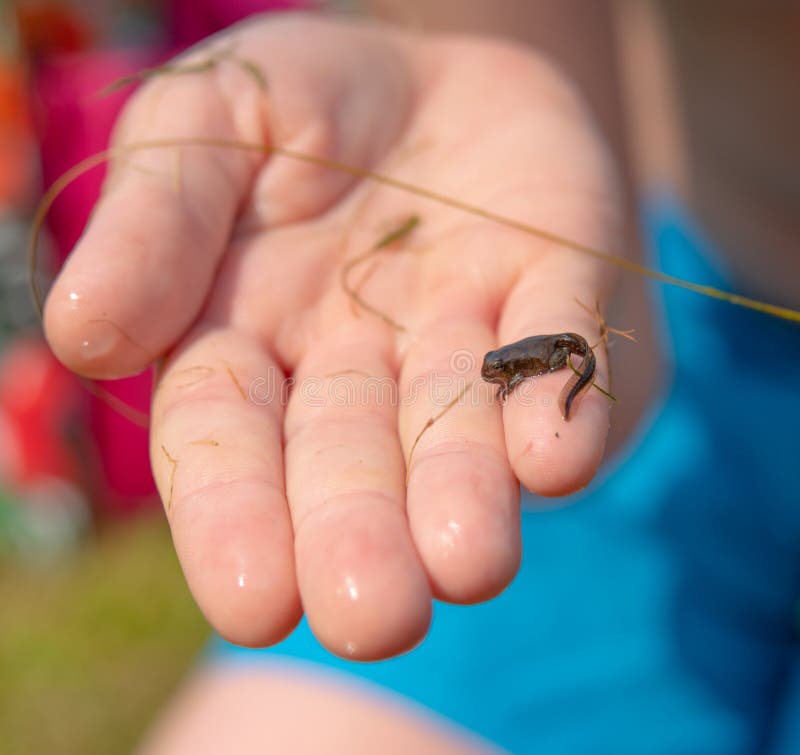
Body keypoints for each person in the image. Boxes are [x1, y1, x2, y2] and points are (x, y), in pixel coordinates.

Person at [42, 2, 800, 752]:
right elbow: (615, 376)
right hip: (702, 351)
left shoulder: (529, 361)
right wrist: (468, 102)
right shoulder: (542, 355)